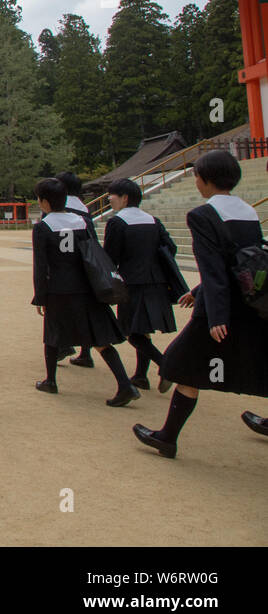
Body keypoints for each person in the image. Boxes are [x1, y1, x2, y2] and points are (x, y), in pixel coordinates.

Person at [134, 149, 268, 458]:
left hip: (220, 309)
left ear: (204, 180)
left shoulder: (202, 215)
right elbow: (245, 263)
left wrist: (216, 316)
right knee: (258, 363)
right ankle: (167, 436)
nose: (195, 181)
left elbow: (214, 268)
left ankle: (167, 438)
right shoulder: (248, 211)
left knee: (183, 364)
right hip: (251, 304)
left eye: (196, 175)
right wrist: (198, 289)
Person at [31, 177, 139, 407]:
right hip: (86, 286)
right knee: (99, 338)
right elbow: (93, 251)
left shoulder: (43, 227)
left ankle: (51, 380)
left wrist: (40, 295)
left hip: (58, 287)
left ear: (45, 202)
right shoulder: (81, 221)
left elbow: (41, 265)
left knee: (52, 334)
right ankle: (125, 383)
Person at [102, 178, 184, 390]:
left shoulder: (118, 222)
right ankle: (140, 375)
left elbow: (111, 256)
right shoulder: (153, 221)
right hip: (157, 281)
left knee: (130, 331)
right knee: (142, 329)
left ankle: (165, 364)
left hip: (132, 282)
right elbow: (170, 247)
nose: (109, 198)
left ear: (124, 198)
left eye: (112, 194)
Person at [56, 171, 100, 369]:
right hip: (86, 265)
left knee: (62, 308)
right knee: (84, 310)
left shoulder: (59, 207)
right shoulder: (83, 209)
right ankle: (85, 352)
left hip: (64, 267)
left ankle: (61, 346)